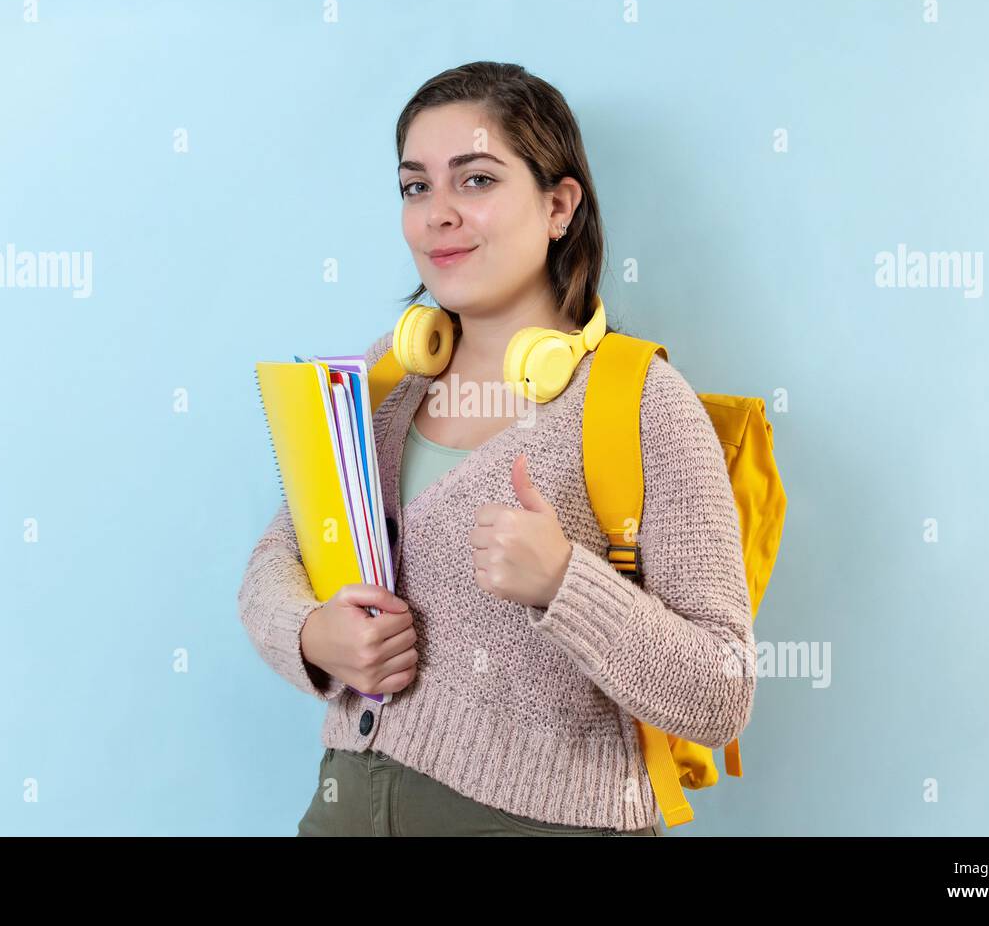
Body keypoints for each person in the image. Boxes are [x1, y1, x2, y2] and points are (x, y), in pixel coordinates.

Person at [238, 61, 755, 836]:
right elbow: (274, 563)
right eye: (416, 187)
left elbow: (721, 691)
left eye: (475, 180)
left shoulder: (639, 400)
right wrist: (314, 635)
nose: (437, 214)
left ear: (558, 205)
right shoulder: (387, 380)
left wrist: (564, 584)